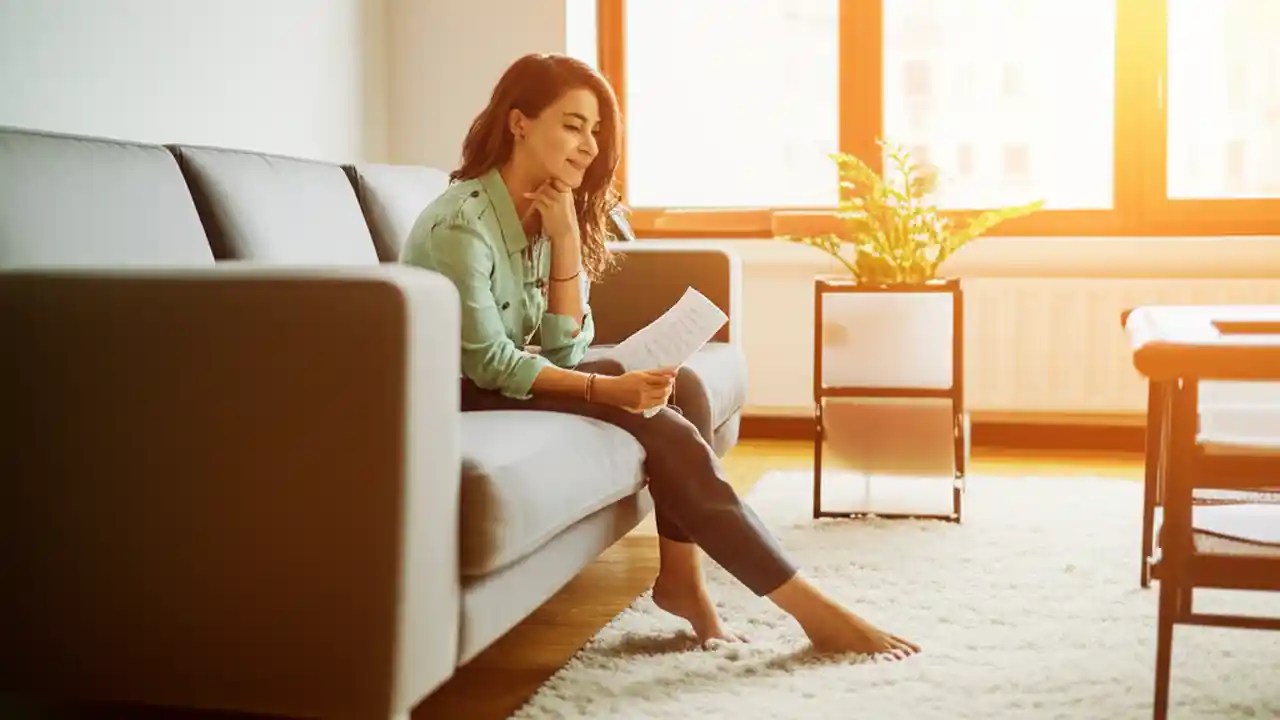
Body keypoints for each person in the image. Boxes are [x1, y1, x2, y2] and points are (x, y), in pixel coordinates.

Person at [400, 52, 919, 660]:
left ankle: (681, 579)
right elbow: (489, 364)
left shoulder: (545, 210)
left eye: (596, 131)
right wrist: (605, 390)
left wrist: (565, 240)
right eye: (573, 124)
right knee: (653, 415)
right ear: (519, 122)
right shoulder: (461, 224)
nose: (590, 145)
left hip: (501, 375)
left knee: (686, 387)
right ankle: (807, 606)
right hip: (456, 389)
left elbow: (565, 347)